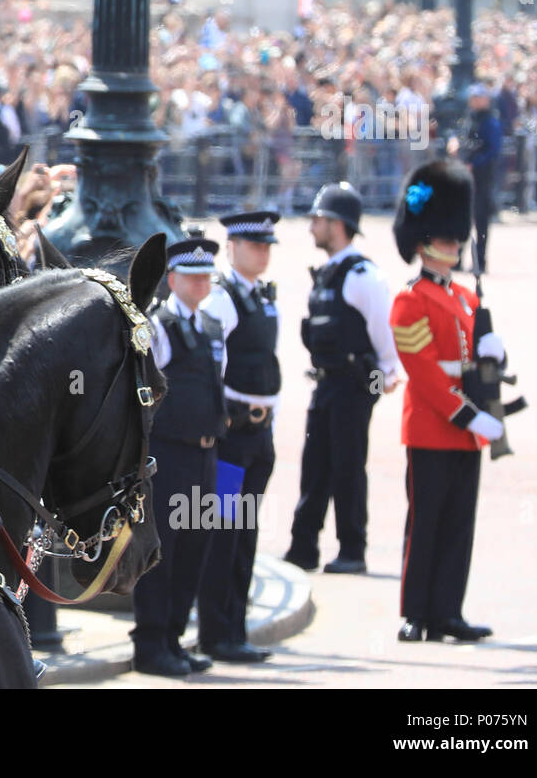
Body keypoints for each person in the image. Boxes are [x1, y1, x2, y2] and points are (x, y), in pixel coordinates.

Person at [390, 160, 502, 643]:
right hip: (434, 428)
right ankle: (415, 613)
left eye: (458, 238)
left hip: (469, 432)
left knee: (459, 526)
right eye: (445, 237)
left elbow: (477, 363)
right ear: (422, 241)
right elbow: (425, 373)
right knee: (426, 523)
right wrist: (468, 414)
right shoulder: (410, 300)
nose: (455, 245)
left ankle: (447, 612)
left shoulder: (467, 298)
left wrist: (497, 351)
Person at [287, 182, 400, 574]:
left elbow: (385, 334)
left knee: (348, 466)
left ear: (337, 224)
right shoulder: (329, 273)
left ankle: (352, 548)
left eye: (317, 219)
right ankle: (304, 547)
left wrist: (383, 378)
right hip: (325, 382)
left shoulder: (363, 275)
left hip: (354, 384)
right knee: (314, 465)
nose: (311, 227)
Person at [131, 238, 226, 678]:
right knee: (164, 552)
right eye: (192, 276)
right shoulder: (159, 326)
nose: (201, 282)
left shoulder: (209, 326)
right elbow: (146, 395)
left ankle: (173, 638)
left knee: (195, 548)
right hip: (171, 457)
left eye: (206, 275)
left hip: (206, 456)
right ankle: (151, 644)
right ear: (172, 280)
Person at [197, 211, 280, 663]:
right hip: (231, 438)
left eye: (267, 245)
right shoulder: (222, 300)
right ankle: (217, 634)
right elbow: (211, 369)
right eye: (254, 245)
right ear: (232, 247)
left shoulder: (265, 298)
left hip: (259, 437)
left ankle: (236, 629)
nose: (262, 253)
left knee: (245, 534)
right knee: (223, 534)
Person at [453, 84, 503, 273]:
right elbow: (460, 136)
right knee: (461, 217)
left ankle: (480, 262)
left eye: (479, 97)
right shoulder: (468, 117)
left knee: (481, 220)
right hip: (465, 174)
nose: (474, 100)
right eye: (473, 97)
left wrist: (475, 163)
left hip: (482, 176)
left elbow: (493, 149)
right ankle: (456, 259)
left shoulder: (491, 121)